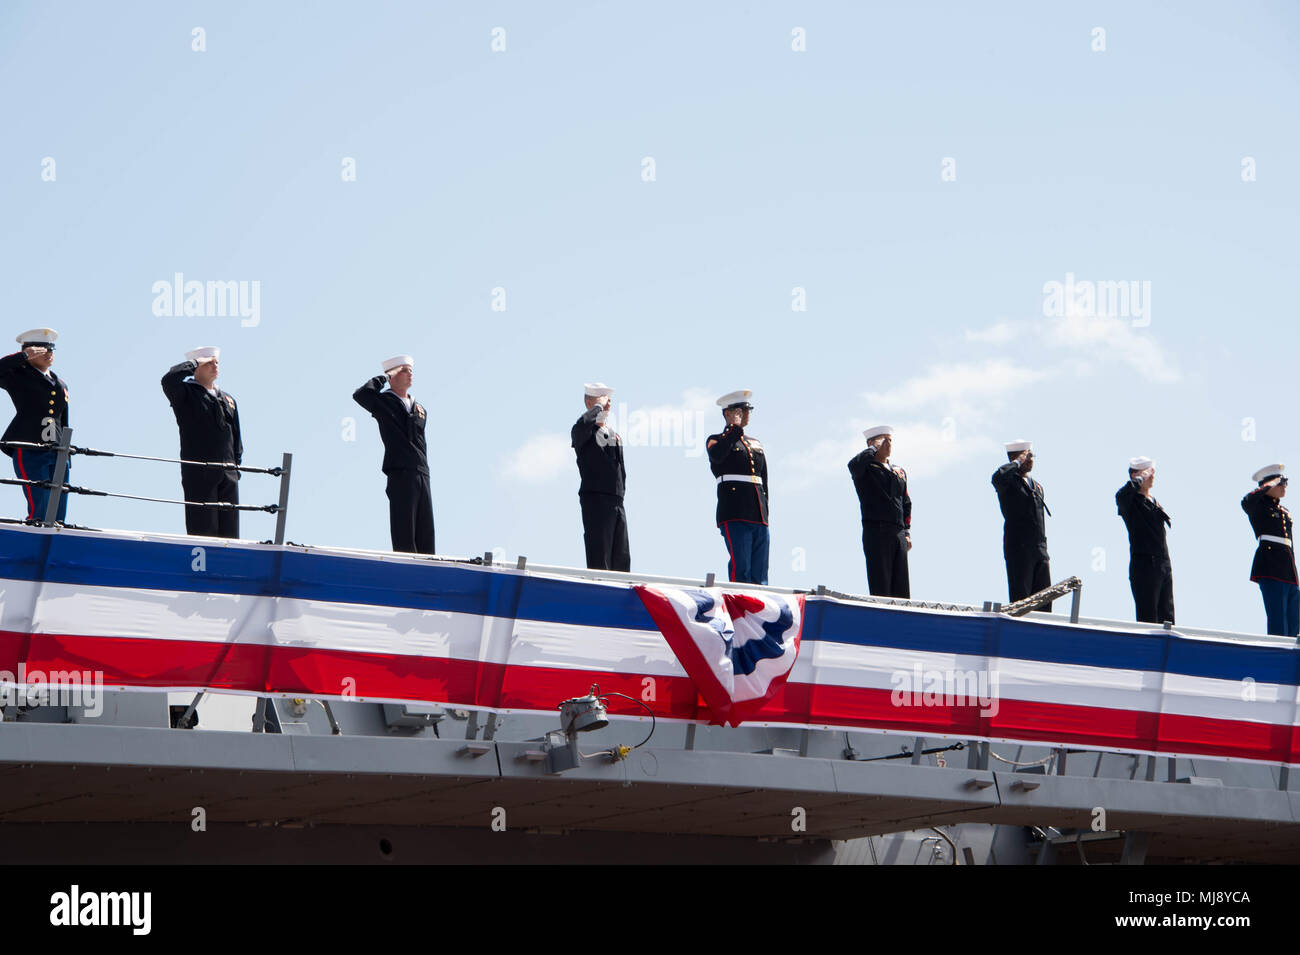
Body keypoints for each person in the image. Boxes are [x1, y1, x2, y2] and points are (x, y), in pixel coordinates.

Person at [353, 355, 434, 554]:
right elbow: (361, 395)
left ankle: (428, 569)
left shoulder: (419, 409)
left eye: (411, 370)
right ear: (393, 375)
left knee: (425, 528)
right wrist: (382, 378)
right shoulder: (385, 402)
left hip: (422, 471)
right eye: (404, 370)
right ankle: (407, 570)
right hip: (400, 470)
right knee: (404, 527)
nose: (410, 374)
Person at [160, 347, 243, 538]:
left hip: (227, 472)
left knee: (230, 534)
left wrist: (235, 468)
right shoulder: (186, 393)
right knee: (204, 530)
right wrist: (195, 363)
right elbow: (167, 380)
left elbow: (236, 437)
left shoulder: (228, 399)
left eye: (216, 362)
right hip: (200, 471)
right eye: (209, 363)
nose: (215, 366)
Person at [0, 328, 70, 523]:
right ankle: (35, 529)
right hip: (29, 444)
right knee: (39, 501)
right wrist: (22, 357)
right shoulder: (17, 375)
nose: (49, 354)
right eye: (43, 349)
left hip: (56, 448)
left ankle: (58, 533)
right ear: (30, 351)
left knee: (59, 502)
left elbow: (63, 420)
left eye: (51, 349)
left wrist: (66, 451)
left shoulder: (61, 384)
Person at [706, 390, 769, 584]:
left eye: (748, 410)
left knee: (760, 571)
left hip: (758, 513)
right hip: (735, 511)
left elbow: (763, 480)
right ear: (728, 413)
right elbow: (717, 456)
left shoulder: (755, 443)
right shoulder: (716, 440)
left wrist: (766, 511)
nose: (747, 413)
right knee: (741, 569)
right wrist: (733, 429)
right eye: (741, 410)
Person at [847, 425, 911, 597]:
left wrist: (907, 532)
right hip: (877, 530)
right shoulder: (865, 469)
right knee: (881, 584)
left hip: (898, 532)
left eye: (890, 440)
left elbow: (906, 503)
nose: (888, 444)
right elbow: (853, 465)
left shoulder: (899, 472)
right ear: (871, 443)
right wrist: (873, 448)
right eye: (884, 440)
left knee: (902, 587)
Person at [571, 382, 630, 571]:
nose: (607, 405)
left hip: (616, 501)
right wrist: (597, 407)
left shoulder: (613, 435)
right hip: (596, 499)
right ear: (589, 403)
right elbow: (581, 426)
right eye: (601, 401)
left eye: (608, 402)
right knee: (600, 556)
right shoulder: (583, 431)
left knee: (621, 557)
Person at [991, 439, 1053, 608]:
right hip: (1019, 548)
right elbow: (997, 477)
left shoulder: (1036, 486)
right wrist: (1017, 462)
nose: (1031, 459)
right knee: (1022, 600)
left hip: (1039, 549)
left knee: (1044, 601)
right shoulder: (1008, 482)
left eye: (1032, 455)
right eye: (1027, 456)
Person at [1241, 464, 1298, 637]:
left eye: (1285, 482)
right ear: (1268, 485)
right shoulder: (1257, 506)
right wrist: (1268, 484)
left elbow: (1290, 544)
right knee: (1278, 620)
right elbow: (1246, 501)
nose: (1284, 486)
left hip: (1289, 569)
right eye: (1280, 483)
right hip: (1271, 567)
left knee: (1295, 621)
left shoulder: (1284, 512)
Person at [1115, 455, 1173, 624]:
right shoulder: (1131, 502)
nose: (1152, 476)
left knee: (1167, 617)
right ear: (1135, 475)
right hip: (1145, 565)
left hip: (1163, 564)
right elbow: (1122, 495)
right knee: (1148, 617)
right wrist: (1141, 478)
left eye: (1152, 472)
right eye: (1147, 473)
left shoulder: (1154, 502)